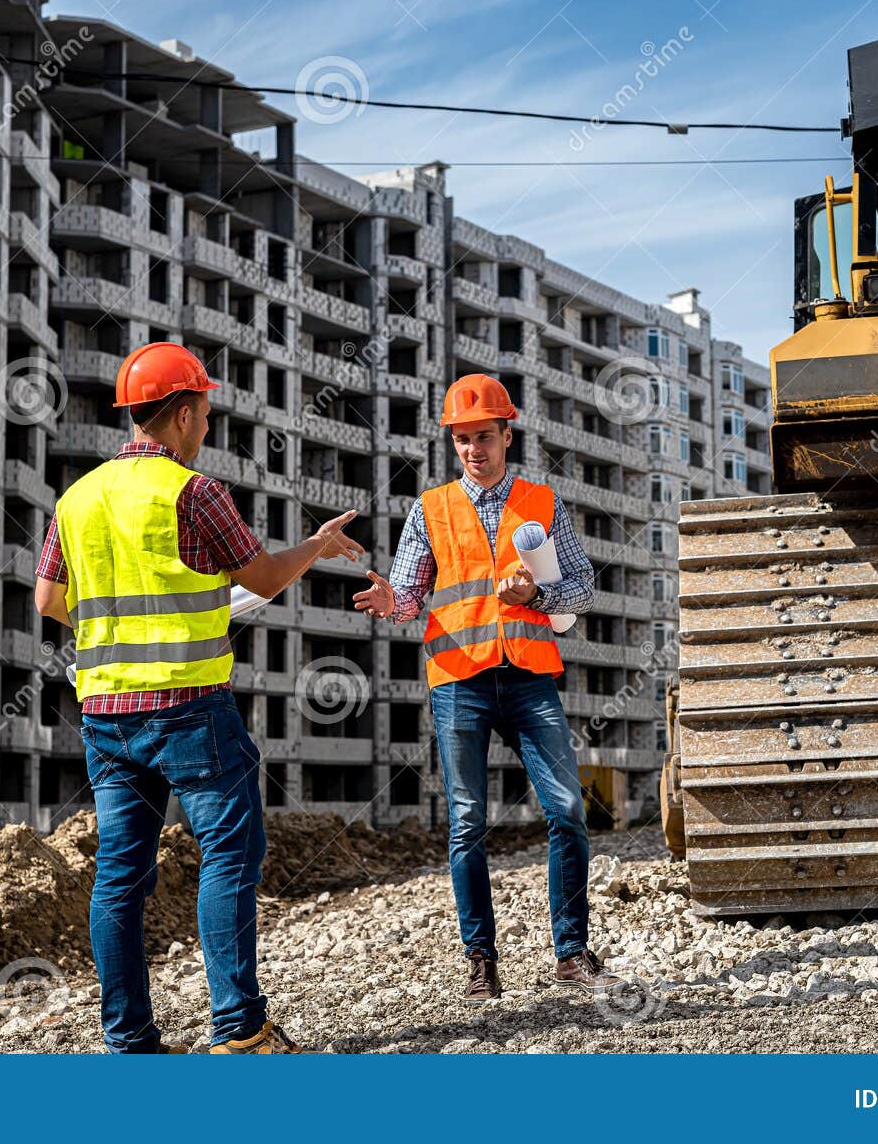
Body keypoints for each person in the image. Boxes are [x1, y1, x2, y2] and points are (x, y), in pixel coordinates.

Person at [35, 342, 361, 1053]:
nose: (207, 427)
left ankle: (129, 1042)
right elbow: (266, 577)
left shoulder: (77, 498)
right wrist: (316, 545)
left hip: (104, 714)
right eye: (205, 414)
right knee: (230, 851)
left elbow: (49, 599)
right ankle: (239, 1030)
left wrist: (126, 630)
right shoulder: (194, 492)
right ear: (182, 415)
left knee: (120, 875)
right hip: (188, 708)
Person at [352, 373, 621, 1001]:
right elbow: (409, 598)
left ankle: (572, 952)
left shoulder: (542, 502)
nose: (475, 449)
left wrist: (537, 593)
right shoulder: (431, 508)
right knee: (468, 823)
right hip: (460, 682)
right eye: (463, 439)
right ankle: (481, 959)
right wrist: (392, 600)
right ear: (454, 443)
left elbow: (583, 591)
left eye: (485, 437)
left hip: (529, 677)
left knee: (569, 813)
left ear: (507, 434)